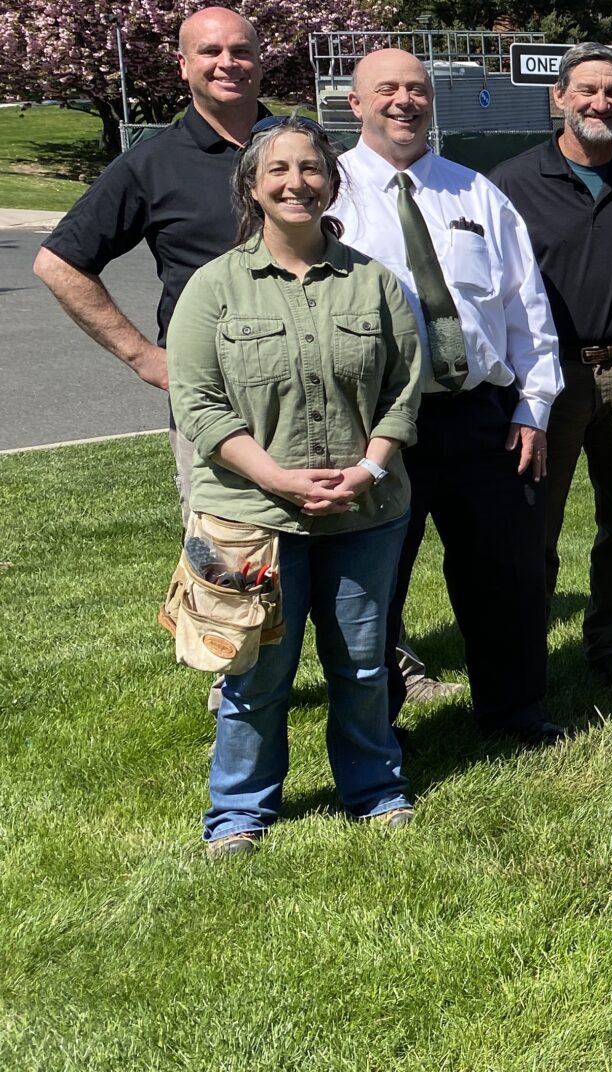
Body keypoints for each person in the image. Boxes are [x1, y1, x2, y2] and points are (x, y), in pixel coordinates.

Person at [165, 116, 424, 855]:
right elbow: (198, 402)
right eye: (277, 170)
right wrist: (276, 476)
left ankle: (374, 789)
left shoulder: (373, 283)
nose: (296, 182)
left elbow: (405, 389)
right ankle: (239, 814)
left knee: (365, 665)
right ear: (252, 187)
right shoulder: (214, 290)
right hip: (250, 517)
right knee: (254, 671)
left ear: (332, 182)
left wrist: (369, 467)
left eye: (311, 168)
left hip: (365, 513)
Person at [328, 48, 565, 744]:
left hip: (483, 422)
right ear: (356, 104)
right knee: (374, 588)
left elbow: (528, 311)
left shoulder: (476, 194)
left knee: (507, 578)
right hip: (377, 425)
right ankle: (373, 732)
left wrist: (534, 409)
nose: (404, 102)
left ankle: (515, 715)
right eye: (387, 90)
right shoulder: (329, 194)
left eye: (417, 90)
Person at [491, 45, 612, 683]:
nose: (600, 102)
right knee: (534, 526)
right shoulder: (511, 182)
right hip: (547, 382)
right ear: (559, 98)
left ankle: (610, 643)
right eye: (586, 91)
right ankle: (526, 652)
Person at [35, 6, 268, 508]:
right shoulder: (151, 164)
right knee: (231, 571)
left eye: (242, 50)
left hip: (326, 392)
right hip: (217, 402)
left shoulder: (307, 149)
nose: (228, 62)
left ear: (260, 61)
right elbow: (59, 263)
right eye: (210, 51)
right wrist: (146, 359)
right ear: (183, 65)